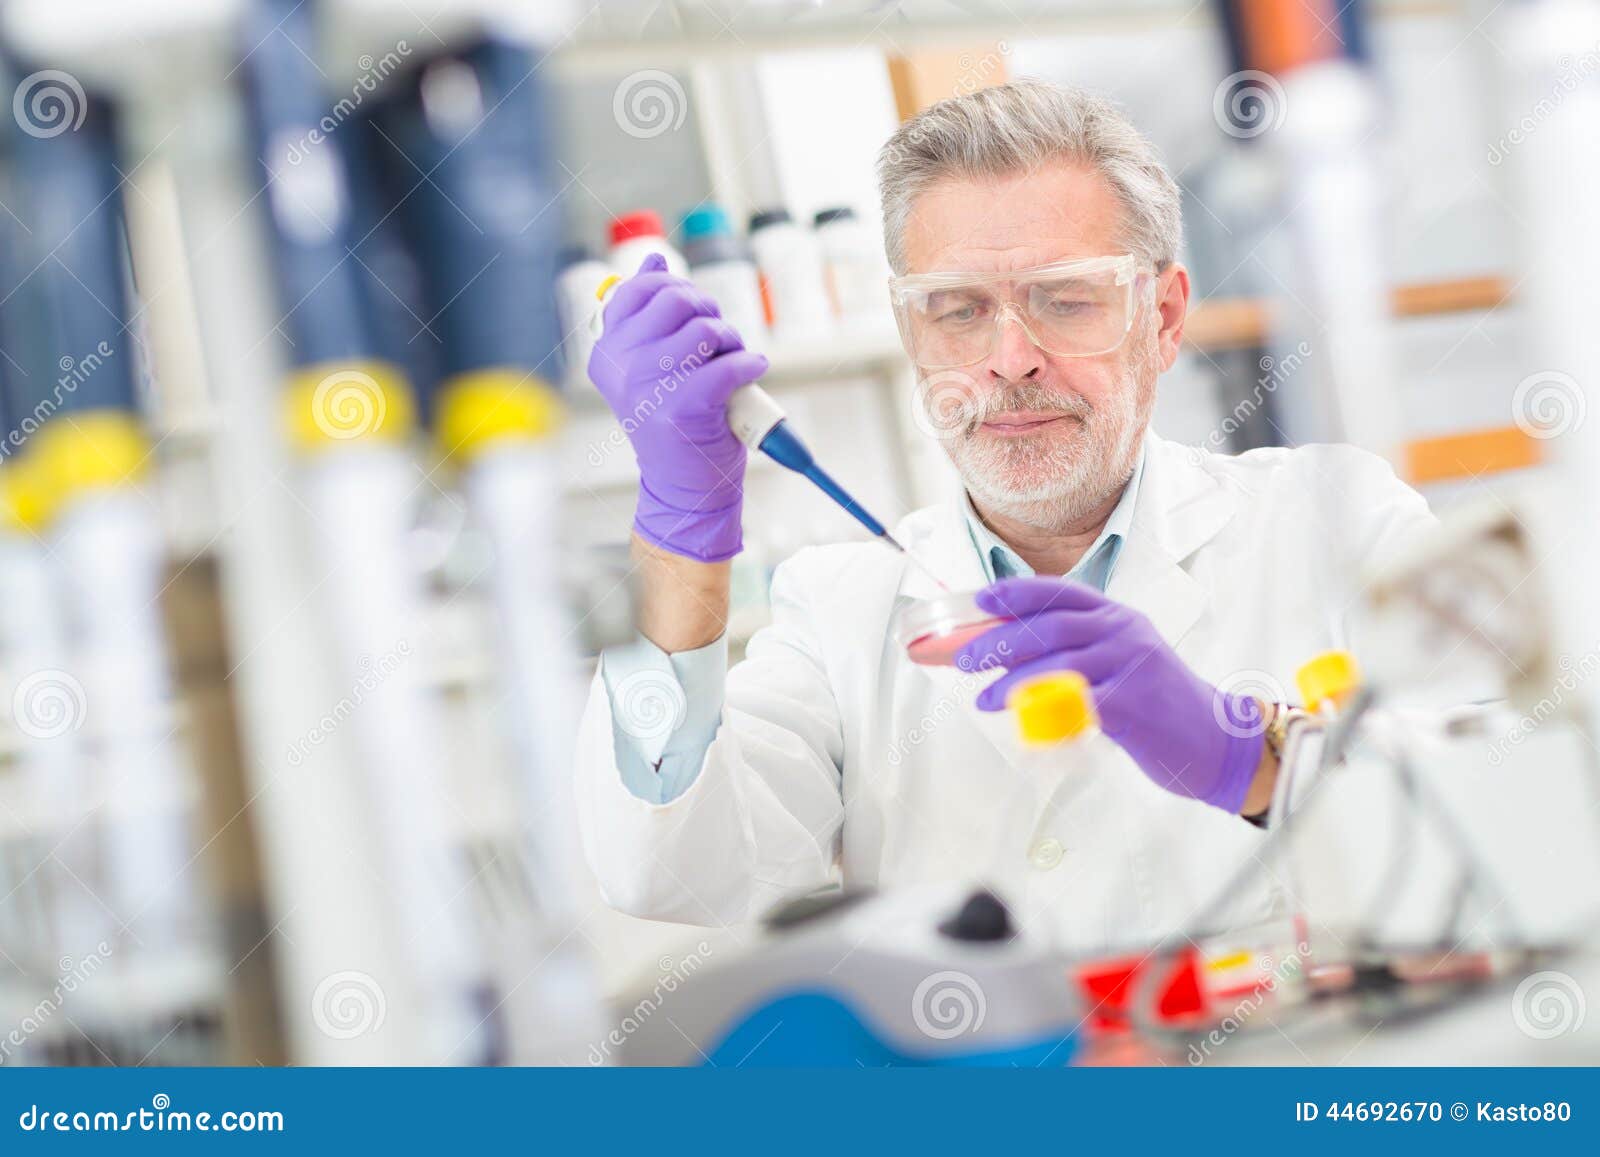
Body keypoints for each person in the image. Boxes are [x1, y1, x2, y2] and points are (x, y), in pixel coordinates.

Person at [572, 80, 1434, 953]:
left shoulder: (1338, 524)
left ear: (1163, 318)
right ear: (912, 331)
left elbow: (1512, 814)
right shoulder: (836, 610)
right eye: (959, 310)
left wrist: (1245, 761)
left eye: (1065, 299)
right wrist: (678, 527)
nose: (1010, 360)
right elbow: (672, 866)